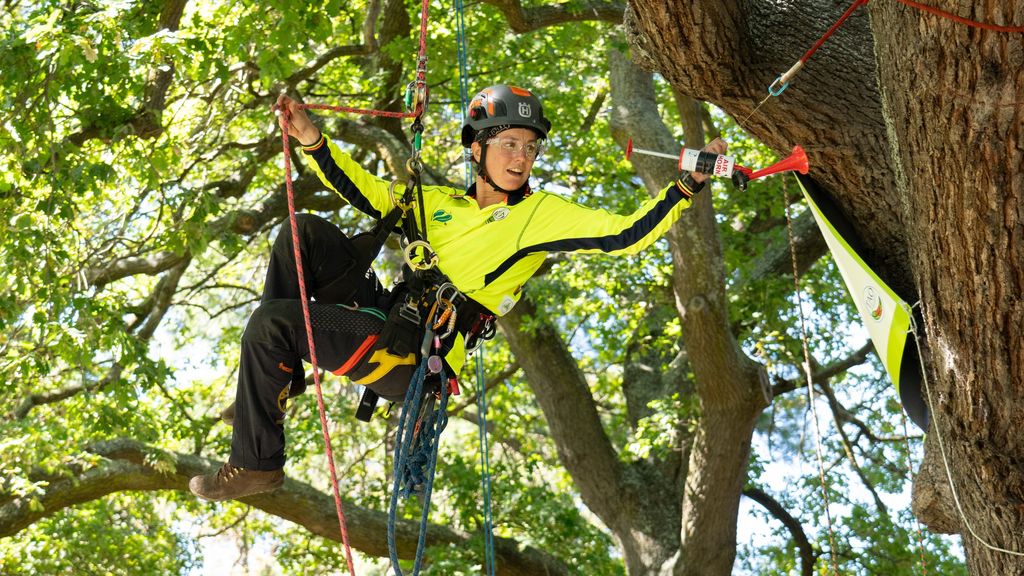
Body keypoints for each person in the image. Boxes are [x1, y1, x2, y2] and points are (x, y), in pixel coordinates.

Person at [189, 84, 727, 501]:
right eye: (509, 144)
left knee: (271, 324)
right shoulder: (437, 200)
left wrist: (687, 186)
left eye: (530, 148)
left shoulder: (542, 216)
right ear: (477, 149)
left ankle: (258, 462)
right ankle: (280, 365)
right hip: (387, 315)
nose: (522, 158)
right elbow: (362, 189)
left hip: (417, 355)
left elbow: (623, 234)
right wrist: (310, 136)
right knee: (300, 233)